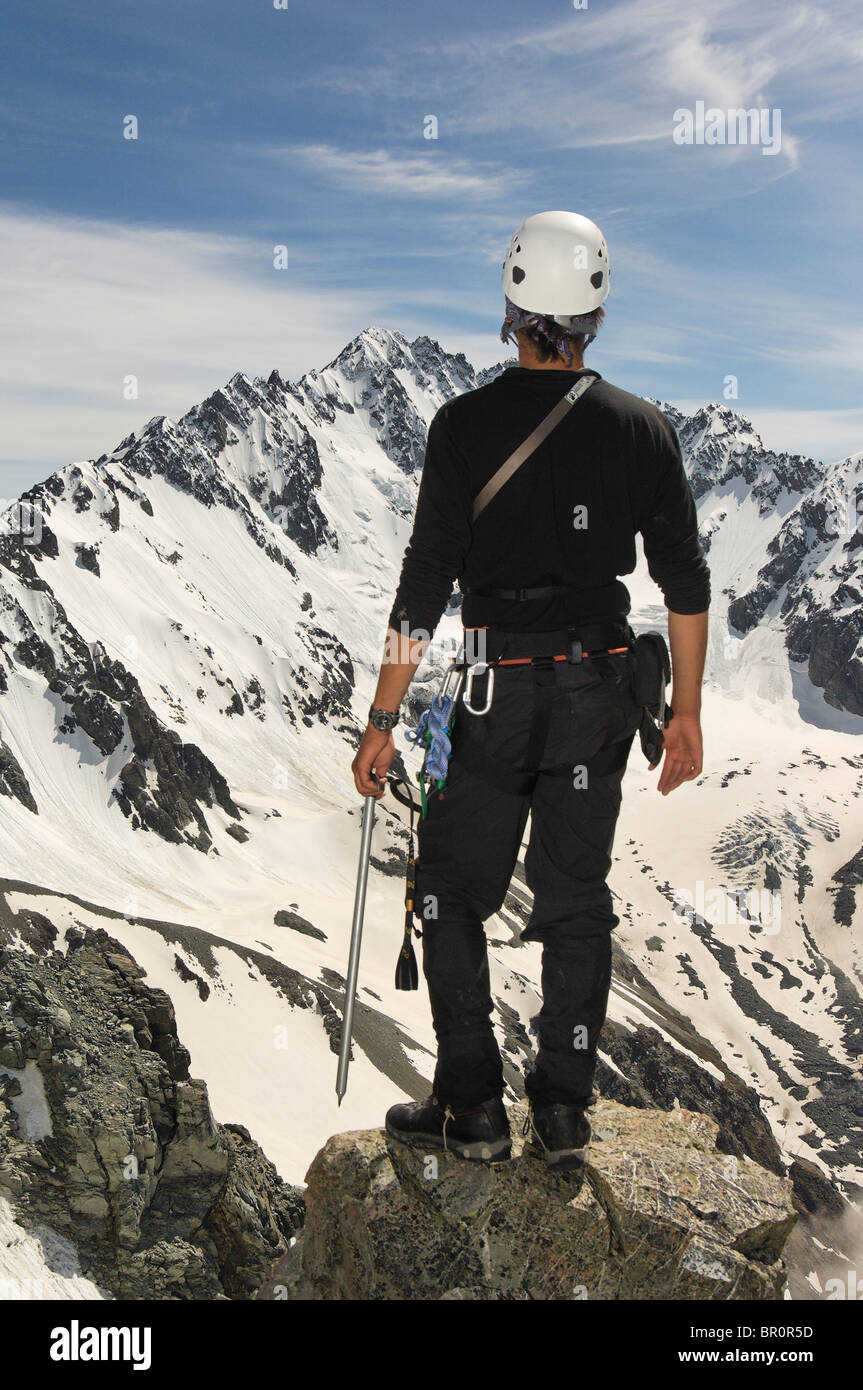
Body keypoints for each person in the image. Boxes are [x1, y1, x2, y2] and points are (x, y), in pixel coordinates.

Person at [351, 210, 710, 1170]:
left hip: (495, 689)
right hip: (599, 691)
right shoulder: (643, 430)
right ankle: (562, 1109)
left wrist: (384, 718)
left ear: (511, 303)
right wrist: (685, 713)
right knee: (575, 896)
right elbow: (685, 584)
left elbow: (423, 585)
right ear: (595, 309)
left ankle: (472, 1105)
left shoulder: (462, 427)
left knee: (451, 891)